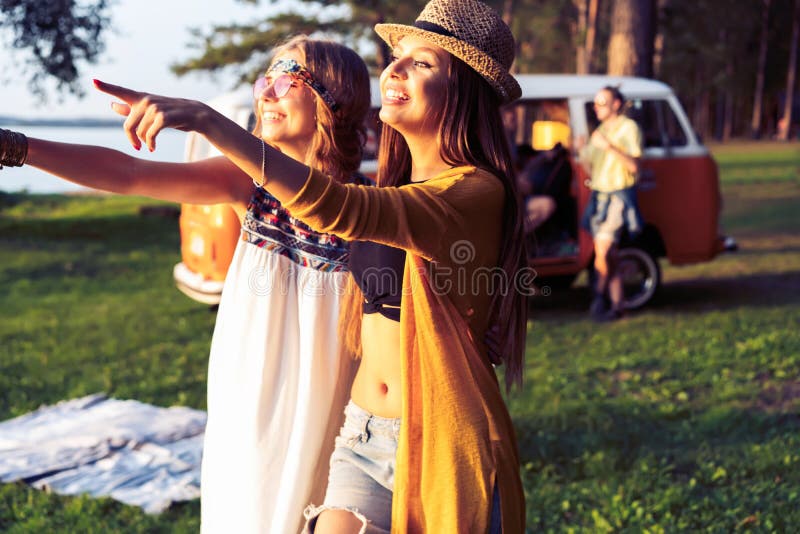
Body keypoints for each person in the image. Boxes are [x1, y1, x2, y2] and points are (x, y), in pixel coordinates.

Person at [60, 0, 529, 530]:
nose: (394, 69)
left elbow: (338, 210)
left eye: (422, 63)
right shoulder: (397, 187)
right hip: (361, 434)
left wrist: (208, 121)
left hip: (439, 432)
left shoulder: (473, 191)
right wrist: (17, 147)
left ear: (464, 90)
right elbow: (129, 175)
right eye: (396, 56)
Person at [0, 36, 370, 533]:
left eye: (286, 80)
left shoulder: (373, 206)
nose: (267, 93)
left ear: (335, 99)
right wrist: (16, 147)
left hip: (336, 393)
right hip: (254, 388)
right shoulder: (248, 185)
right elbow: (129, 174)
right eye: (264, 82)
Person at [578, 85, 644, 321]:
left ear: (616, 104)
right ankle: (618, 305)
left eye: (601, 103)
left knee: (603, 250)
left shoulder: (629, 128)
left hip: (618, 195)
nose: (596, 108)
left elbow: (635, 166)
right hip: (599, 198)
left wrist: (609, 147)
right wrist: (580, 152)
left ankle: (598, 298)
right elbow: (591, 168)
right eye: (595, 104)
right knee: (609, 254)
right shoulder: (599, 130)